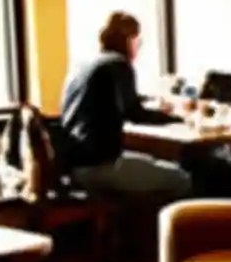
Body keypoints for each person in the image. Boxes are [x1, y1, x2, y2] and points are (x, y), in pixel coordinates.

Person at [59, 11, 191, 198]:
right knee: (182, 178)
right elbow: (135, 113)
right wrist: (179, 118)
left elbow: (117, 99)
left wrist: (151, 102)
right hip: (102, 166)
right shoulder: (118, 64)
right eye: (138, 41)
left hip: (75, 165)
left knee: (151, 161)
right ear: (130, 40)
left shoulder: (84, 65)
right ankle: (160, 218)